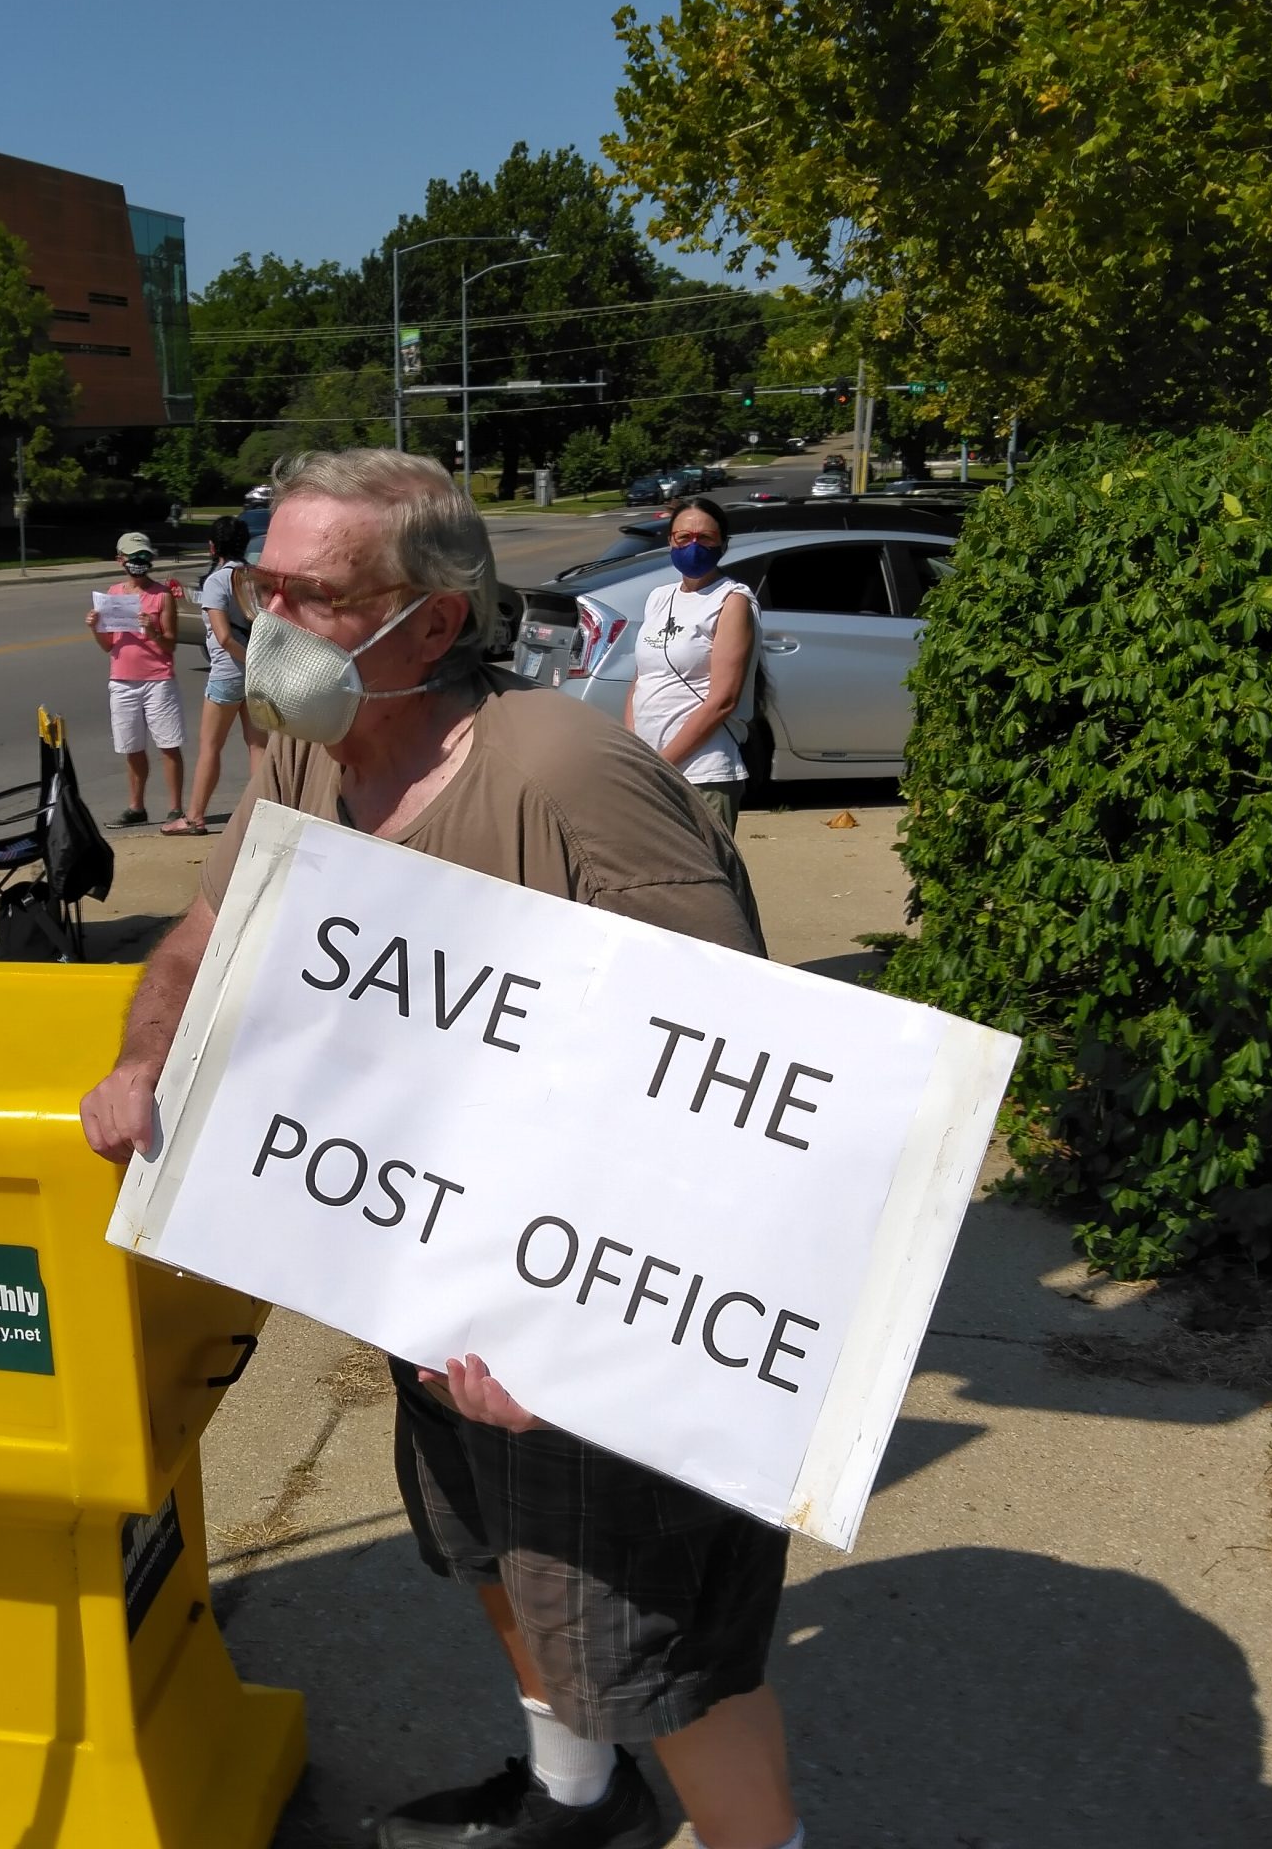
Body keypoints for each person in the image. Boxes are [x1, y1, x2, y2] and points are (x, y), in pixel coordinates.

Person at [79, 451, 805, 1849]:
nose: (260, 619)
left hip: (582, 1311)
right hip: (426, 1278)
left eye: (311, 593)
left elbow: (734, 1074)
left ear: (430, 618)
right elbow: (208, 929)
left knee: (664, 1651)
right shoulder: (308, 746)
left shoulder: (571, 775)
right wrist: (145, 1051)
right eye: (259, 579)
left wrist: (586, 1331)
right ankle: (573, 1801)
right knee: (496, 1558)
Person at [624, 495, 759, 832]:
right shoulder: (659, 598)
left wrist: (662, 765)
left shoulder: (732, 601)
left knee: (707, 880)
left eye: (705, 538)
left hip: (703, 773)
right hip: (650, 770)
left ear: (723, 545)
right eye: (684, 537)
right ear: (670, 541)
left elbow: (723, 700)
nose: (693, 546)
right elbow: (642, 678)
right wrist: (635, 751)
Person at [164, 512, 267, 835]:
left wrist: (245, 661)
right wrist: (259, 664)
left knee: (210, 745)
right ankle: (262, 814)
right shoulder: (254, 577)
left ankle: (194, 817)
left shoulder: (218, 580)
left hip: (227, 673)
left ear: (212, 547)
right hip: (258, 675)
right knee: (258, 746)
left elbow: (223, 637)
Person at [89, 530, 185, 827]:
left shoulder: (161, 596)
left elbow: (170, 645)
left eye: (144, 557)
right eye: (133, 557)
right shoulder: (113, 595)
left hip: (157, 680)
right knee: (131, 747)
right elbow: (109, 646)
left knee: (168, 744)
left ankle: (175, 808)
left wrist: (152, 631)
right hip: (122, 681)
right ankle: (136, 807)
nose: (139, 562)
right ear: (121, 560)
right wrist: (94, 627)